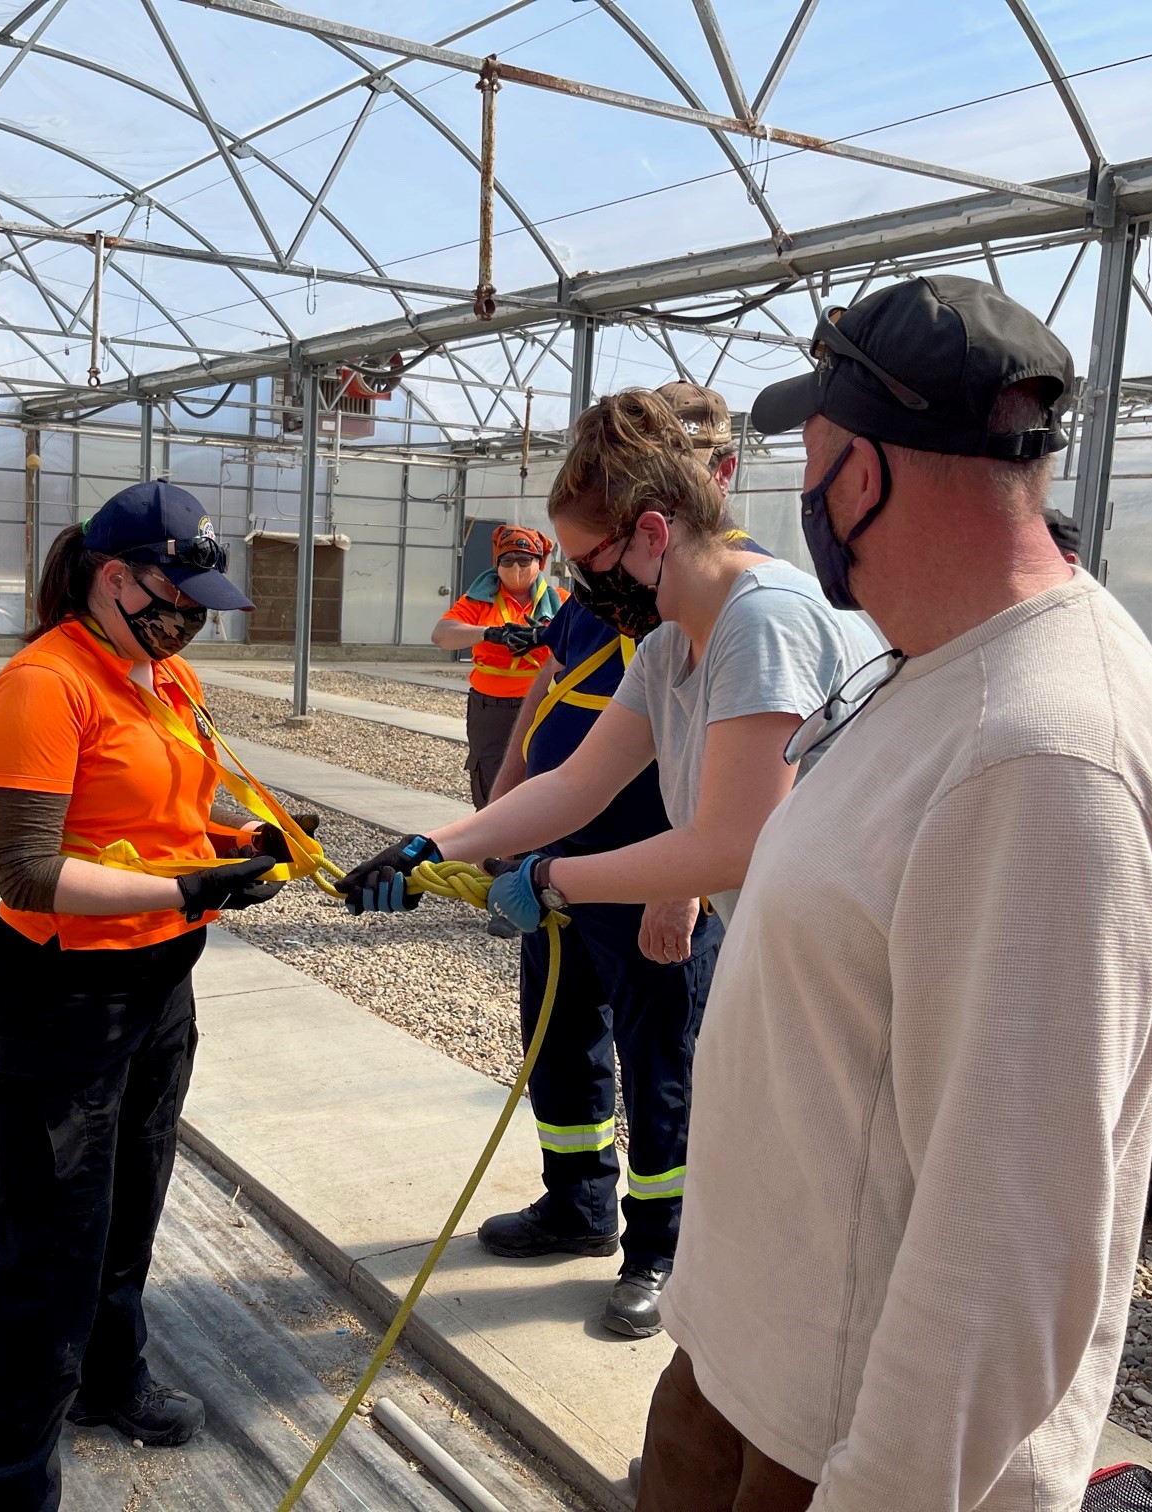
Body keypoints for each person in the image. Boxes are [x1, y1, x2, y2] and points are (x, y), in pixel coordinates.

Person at [636, 276, 1152, 1512]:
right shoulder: (936, 662)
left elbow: (1008, 1243)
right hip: (748, 1362)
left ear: (865, 476)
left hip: (836, 1444)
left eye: (813, 456)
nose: (796, 495)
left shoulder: (1049, 757)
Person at [338, 382, 880, 1135]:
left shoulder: (762, 621)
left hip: (853, 974)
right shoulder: (669, 643)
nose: (583, 587)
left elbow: (732, 844)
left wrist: (552, 879)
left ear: (653, 535)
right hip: (794, 958)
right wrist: (432, 846)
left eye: (591, 561)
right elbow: (576, 784)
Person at [0, 479, 296, 1512]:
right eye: (178, 592)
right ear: (115, 579)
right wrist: (190, 886)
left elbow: (167, 813)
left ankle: (112, 1382)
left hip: (160, 982)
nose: (193, 615)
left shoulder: (159, 678)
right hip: (66, 997)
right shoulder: (43, 686)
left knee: (130, 1213)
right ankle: (16, 1484)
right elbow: (27, 872)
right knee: (51, 1254)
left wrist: (236, 844)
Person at [477, 382, 745, 1338]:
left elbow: (727, 776)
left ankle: (661, 1245)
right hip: (560, 865)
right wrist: (506, 803)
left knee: (659, 1065)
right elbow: (549, 686)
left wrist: (683, 895)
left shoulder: (702, 610)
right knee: (560, 1042)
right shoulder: (598, 598)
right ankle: (576, 1203)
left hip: (648, 879)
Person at [434, 523, 566, 806]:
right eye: (507, 560)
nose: (516, 567)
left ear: (539, 563)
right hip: (489, 708)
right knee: (490, 779)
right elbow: (442, 634)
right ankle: (493, 847)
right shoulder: (479, 601)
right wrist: (488, 633)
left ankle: (535, 845)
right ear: (496, 563)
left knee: (542, 775)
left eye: (524, 559)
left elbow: (584, 638)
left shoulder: (561, 602)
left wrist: (546, 636)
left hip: (543, 703)